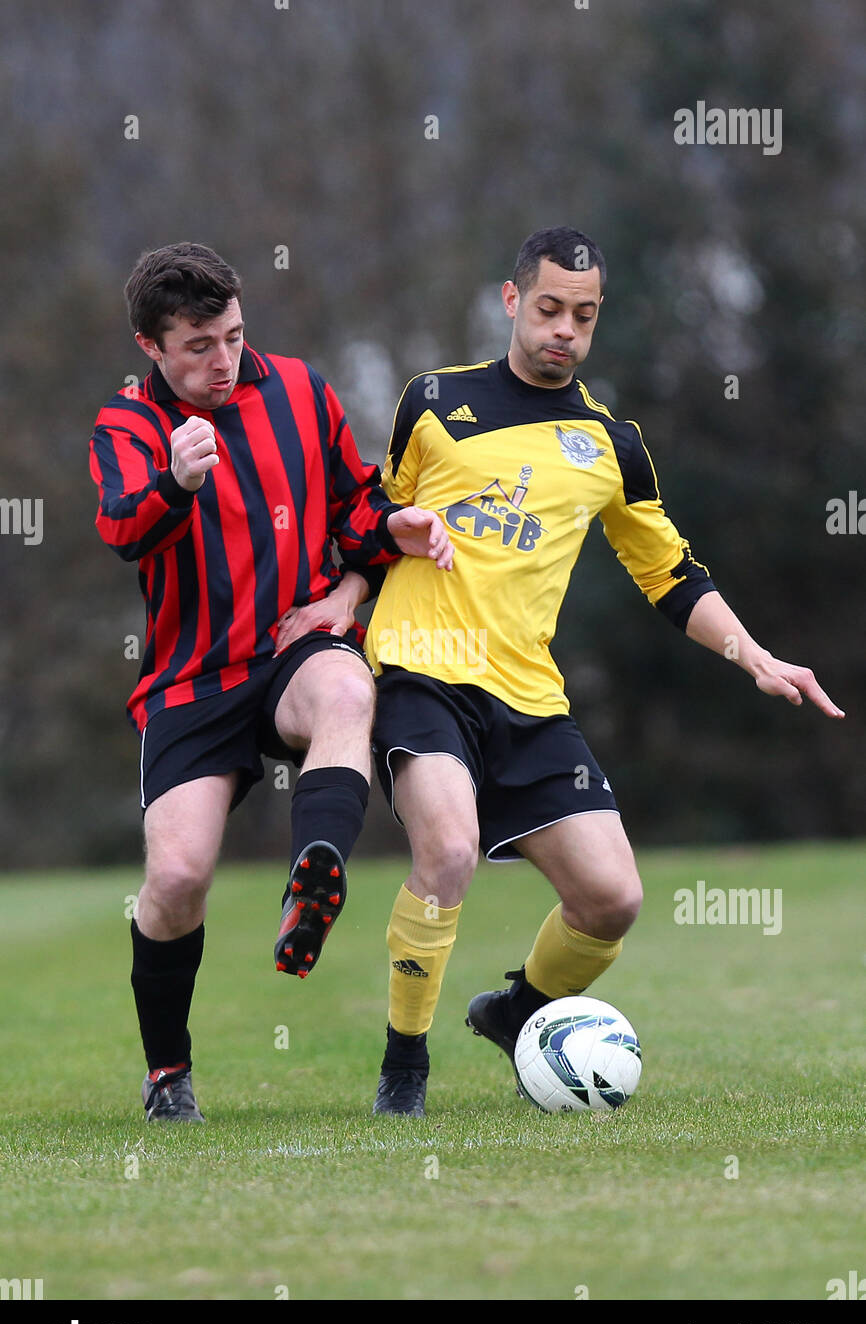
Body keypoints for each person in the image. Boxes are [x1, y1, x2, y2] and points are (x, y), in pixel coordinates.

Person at [352, 225, 845, 1117]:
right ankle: (404, 1068)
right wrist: (334, 609)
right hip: (422, 669)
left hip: (529, 696)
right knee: (450, 850)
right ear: (511, 301)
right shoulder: (431, 402)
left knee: (612, 899)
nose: (564, 331)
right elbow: (368, 521)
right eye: (548, 309)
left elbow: (669, 572)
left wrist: (756, 656)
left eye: (583, 316)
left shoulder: (610, 441)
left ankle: (517, 1013)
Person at [89, 242, 452, 1123]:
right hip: (192, 677)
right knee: (175, 878)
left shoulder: (299, 388)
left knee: (347, 693)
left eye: (234, 336)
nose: (224, 361)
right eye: (199, 347)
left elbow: (352, 504)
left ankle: (311, 877)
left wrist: (391, 524)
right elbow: (123, 527)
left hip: (294, 640)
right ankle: (167, 1075)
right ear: (152, 347)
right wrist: (177, 481)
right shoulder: (128, 426)